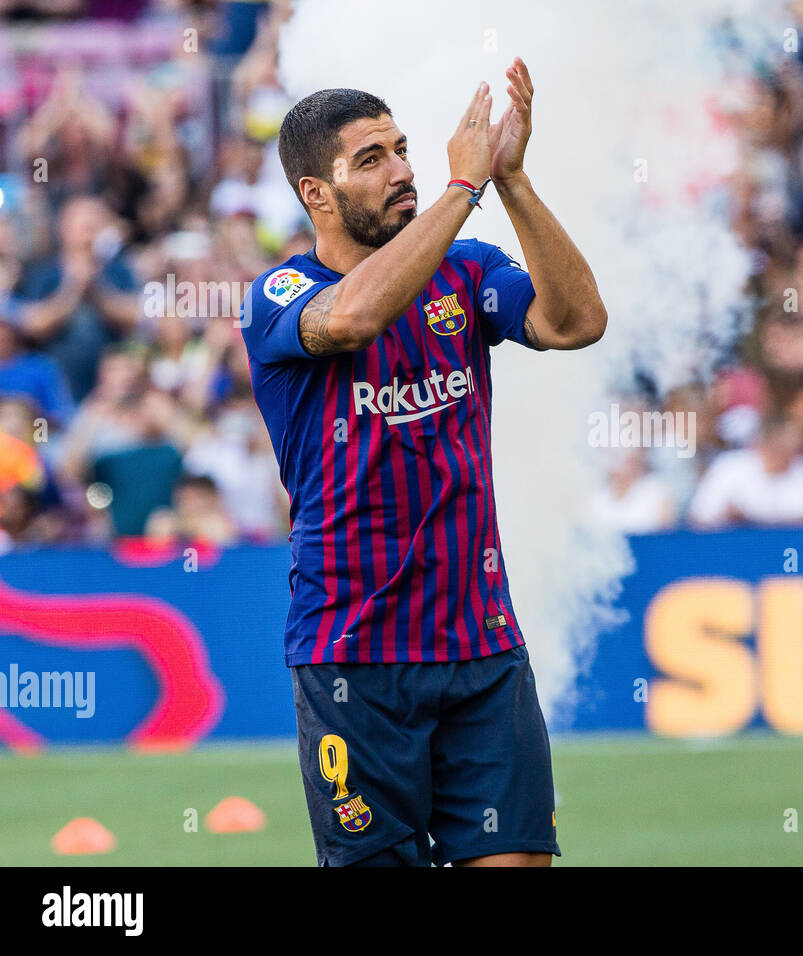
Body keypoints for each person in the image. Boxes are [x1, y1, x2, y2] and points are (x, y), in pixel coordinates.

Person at [238, 60, 606, 868]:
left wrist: (509, 182)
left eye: (402, 149)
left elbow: (577, 322)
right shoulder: (277, 295)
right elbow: (360, 316)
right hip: (354, 657)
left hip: (481, 647)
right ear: (316, 195)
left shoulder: (466, 270)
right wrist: (462, 188)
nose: (402, 169)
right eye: (371, 159)